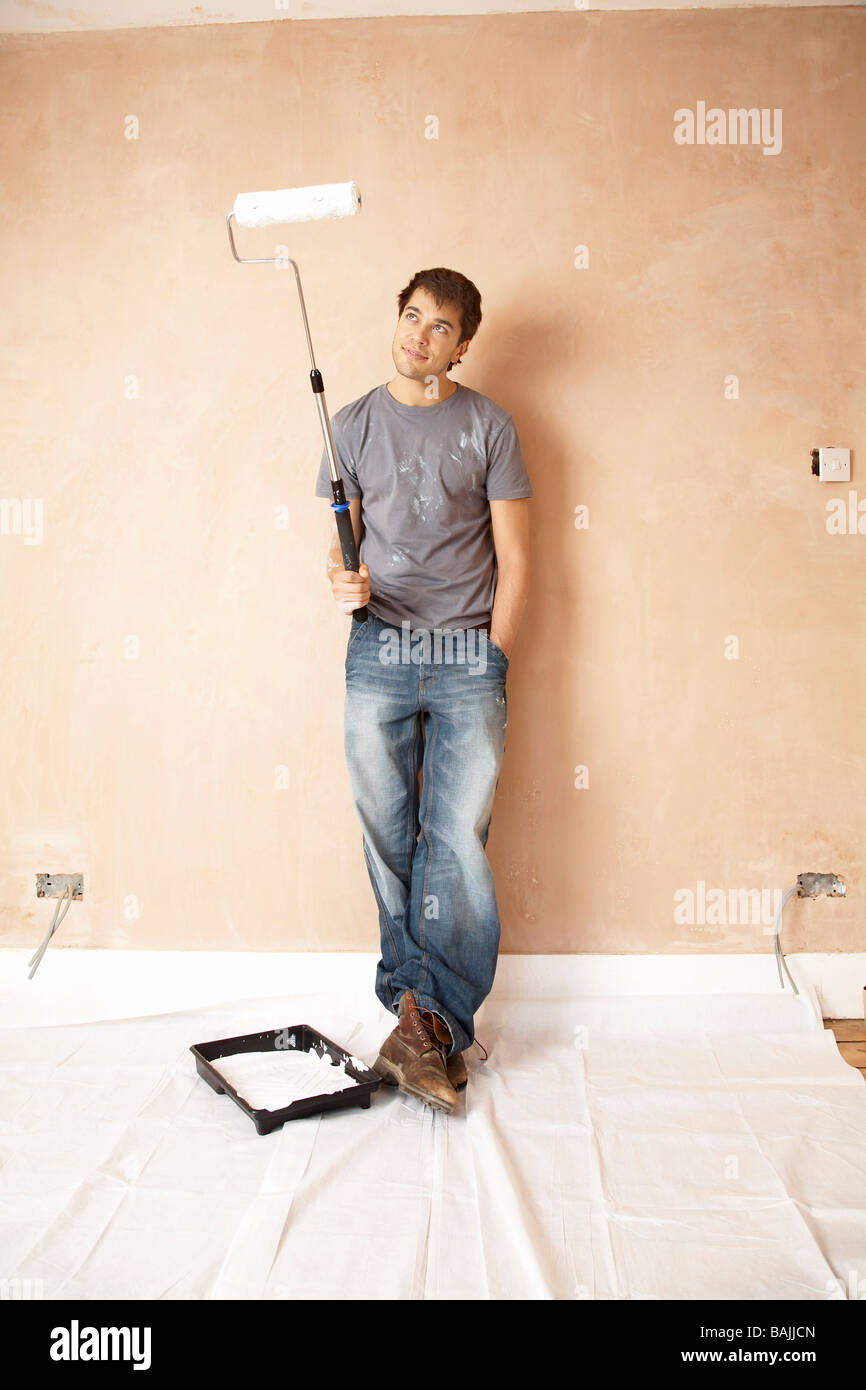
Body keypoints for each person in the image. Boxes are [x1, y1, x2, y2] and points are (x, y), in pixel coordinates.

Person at [315, 267, 532, 1114]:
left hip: (466, 654)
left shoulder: (491, 426)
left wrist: (494, 653)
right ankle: (425, 1021)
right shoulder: (351, 427)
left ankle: (425, 1019)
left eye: (441, 327)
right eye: (412, 317)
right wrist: (344, 585)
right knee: (387, 833)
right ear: (396, 321)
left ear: (462, 345)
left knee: (455, 840)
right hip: (380, 652)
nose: (421, 336)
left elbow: (517, 560)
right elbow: (340, 555)